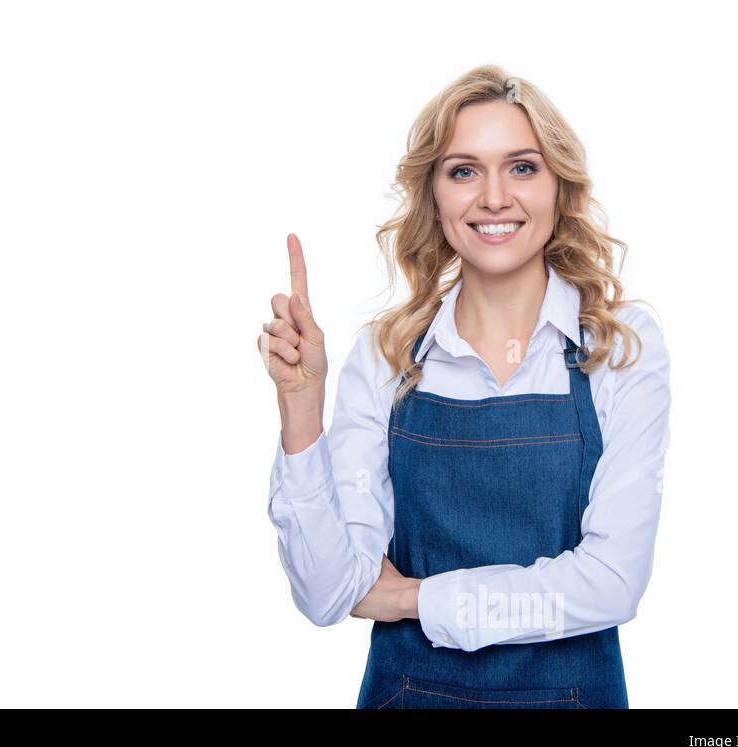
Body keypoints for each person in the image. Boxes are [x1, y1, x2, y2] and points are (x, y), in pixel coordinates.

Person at [257, 65, 671, 709]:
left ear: (559, 186)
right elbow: (329, 592)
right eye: (464, 170)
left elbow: (612, 581)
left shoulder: (620, 349)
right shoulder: (387, 355)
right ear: (435, 195)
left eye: (523, 167)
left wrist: (415, 598)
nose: (495, 197)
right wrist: (301, 406)